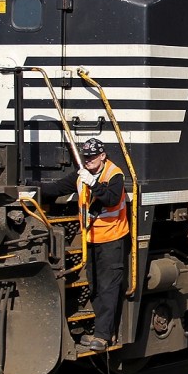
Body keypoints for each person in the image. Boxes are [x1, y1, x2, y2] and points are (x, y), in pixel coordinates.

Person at [39, 137, 128, 352]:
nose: (87, 161)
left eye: (91, 157)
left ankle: (104, 336)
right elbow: (58, 188)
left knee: (108, 287)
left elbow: (111, 199)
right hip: (91, 239)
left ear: (102, 156)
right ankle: (100, 331)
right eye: (85, 157)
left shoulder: (114, 174)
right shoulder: (82, 176)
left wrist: (94, 184)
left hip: (112, 240)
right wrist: (31, 190)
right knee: (94, 285)